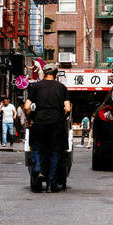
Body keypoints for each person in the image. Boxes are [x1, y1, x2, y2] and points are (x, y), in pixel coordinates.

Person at [25, 62, 71, 192]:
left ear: (44, 73)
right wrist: (63, 116)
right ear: (56, 75)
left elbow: (27, 107)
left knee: (37, 148)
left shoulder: (35, 87)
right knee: (55, 152)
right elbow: (67, 108)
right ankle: (51, 185)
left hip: (39, 122)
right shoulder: (61, 88)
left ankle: (38, 170)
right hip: (56, 124)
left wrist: (30, 119)